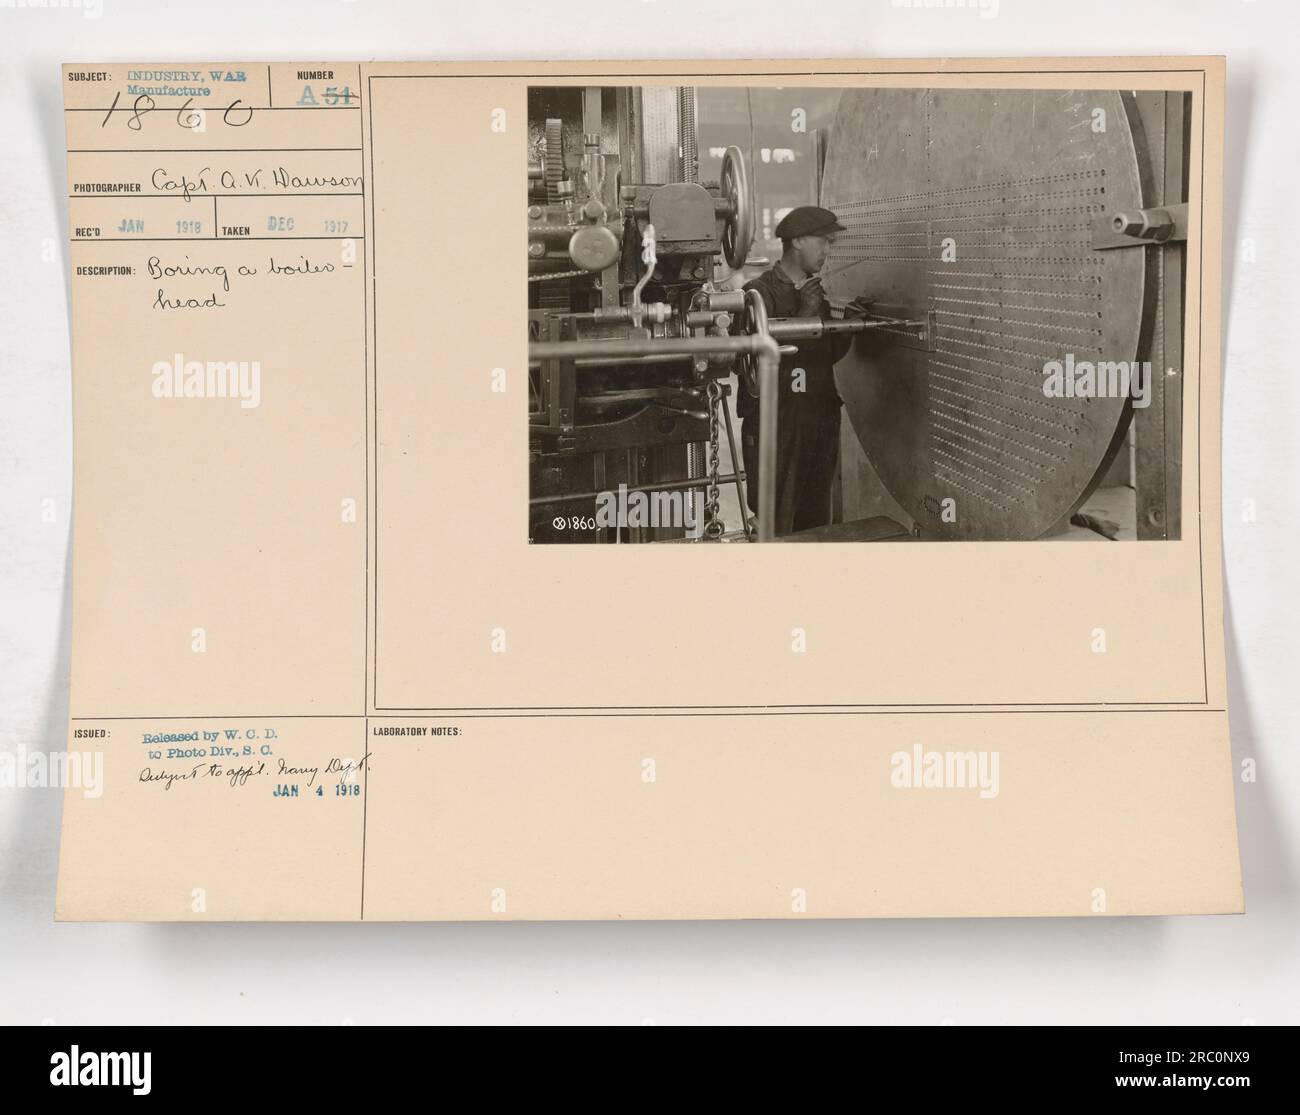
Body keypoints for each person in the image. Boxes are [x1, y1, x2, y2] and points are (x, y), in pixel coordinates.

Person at [736, 205, 862, 535]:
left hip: (818, 418)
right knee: (776, 521)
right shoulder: (758, 294)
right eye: (823, 241)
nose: (827, 250)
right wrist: (806, 316)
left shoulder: (813, 293)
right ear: (798, 241)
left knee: (817, 522)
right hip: (778, 424)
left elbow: (822, 357)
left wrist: (844, 327)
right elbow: (753, 366)